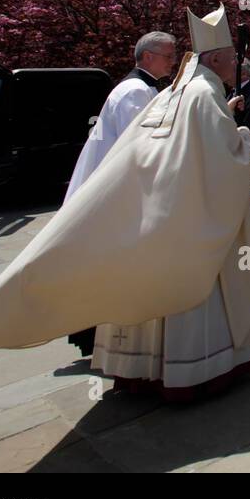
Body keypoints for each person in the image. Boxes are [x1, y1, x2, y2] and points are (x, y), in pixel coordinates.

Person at [0, 5, 250, 402]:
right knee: (190, 288)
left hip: (158, 205)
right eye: (233, 58)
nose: (236, 65)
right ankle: (197, 373)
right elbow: (220, 156)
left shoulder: (180, 90)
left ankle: (143, 369)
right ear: (219, 57)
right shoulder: (203, 92)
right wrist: (241, 135)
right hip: (188, 215)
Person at [63, 30, 177, 355]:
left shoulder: (139, 88)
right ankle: (102, 339)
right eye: (168, 55)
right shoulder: (135, 92)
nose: (173, 60)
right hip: (109, 194)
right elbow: (142, 146)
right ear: (147, 57)